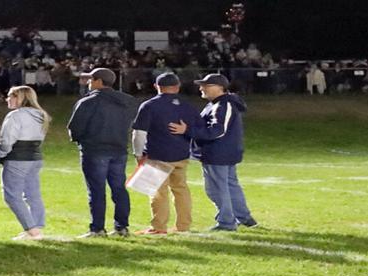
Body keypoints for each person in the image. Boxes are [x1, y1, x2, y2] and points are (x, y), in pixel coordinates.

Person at [66, 67, 137, 237]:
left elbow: (75, 128)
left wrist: (80, 139)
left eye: (91, 79)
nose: (89, 83)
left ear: (98, 81)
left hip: (94, 150)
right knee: (119, 189)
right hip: (119, 149)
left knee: (96, 191)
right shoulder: (127, 101)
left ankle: (97, 228)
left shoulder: (88, 102)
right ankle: (122, 227)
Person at [180, 73, 256, 231]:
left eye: (206, 85)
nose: (201, 88)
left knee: (216, 189)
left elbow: (218, 131)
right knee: (230, 186)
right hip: (223, 152)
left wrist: (187, 130)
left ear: (219, 88)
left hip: (217, 153)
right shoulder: (220, 104)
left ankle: (226, 223)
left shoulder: (222, 105)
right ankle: (244, 218)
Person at [130, 72, 195, 235]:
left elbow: (139, 133)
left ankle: (159, 227)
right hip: (181, 153)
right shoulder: (187, 105)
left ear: (156, 86)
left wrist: (138, 154)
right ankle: (183, 225)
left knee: (158, 192)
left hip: (157, 154)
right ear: (178, 87)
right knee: (181, 189)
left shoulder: (149, 105)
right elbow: (196, 127)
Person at [0, 85, 49, 240]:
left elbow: (7, 141)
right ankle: (37, 226)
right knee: (32, 193)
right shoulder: (41, 115)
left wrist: (0, 154)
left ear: (19, 98)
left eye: (10, 96)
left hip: (17, 158)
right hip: (35, 157)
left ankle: (32, 230)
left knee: (12, 195)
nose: (7, 99)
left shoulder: (15, 116)